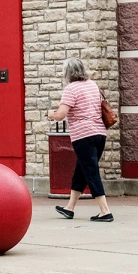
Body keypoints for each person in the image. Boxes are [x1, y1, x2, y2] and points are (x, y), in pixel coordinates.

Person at [47, 57, 113, 222]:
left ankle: (105, 211)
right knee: (81, 171)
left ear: (68, 72)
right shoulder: (92, 85)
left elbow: (60, 115)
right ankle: (70, 208)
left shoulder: (71, 89)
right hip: (99, 134)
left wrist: (51, 114)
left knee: (91, 172)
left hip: (84, 136)